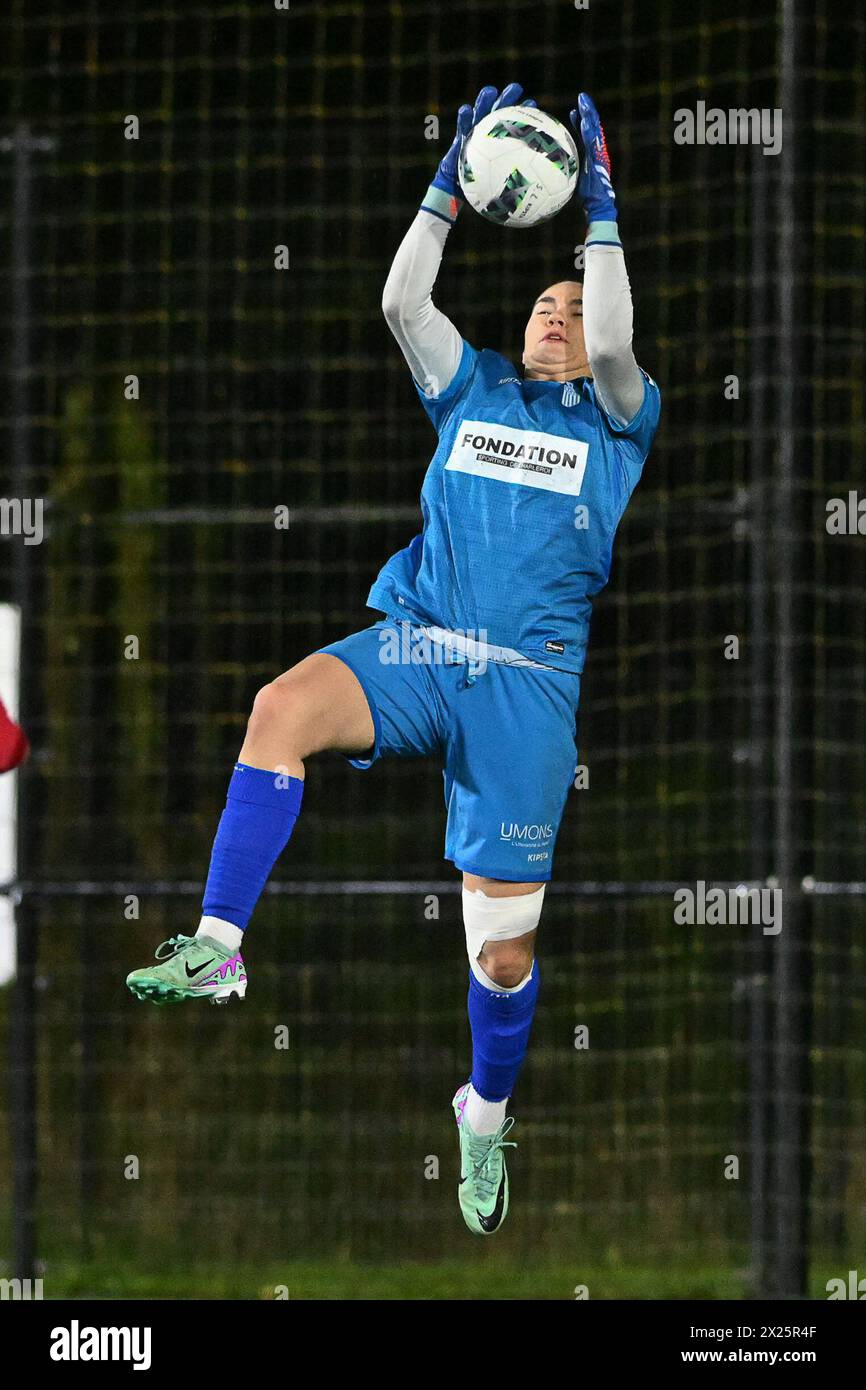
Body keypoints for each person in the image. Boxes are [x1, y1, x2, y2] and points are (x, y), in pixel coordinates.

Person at [127, 86, 661, 1237]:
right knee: (277, 708)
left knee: (502, 958)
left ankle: (482, 1113)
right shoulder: (467, 389)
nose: (556, 318)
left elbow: (617, 338)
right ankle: (219, 946)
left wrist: (600, 210)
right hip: (419, 642)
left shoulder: (615, 420)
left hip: (523, 687)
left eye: (569, 305)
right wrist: (444, 188)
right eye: (542, 303)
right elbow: (398, 298)